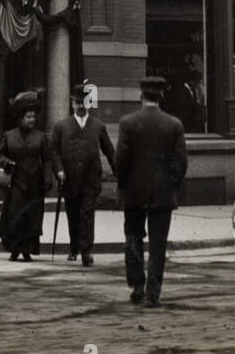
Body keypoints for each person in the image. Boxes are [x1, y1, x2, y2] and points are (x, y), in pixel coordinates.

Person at [115, 76, 188, 308]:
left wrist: (124, 184)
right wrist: (171, 186)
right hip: (163, 194)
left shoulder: (128, 122)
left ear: (141, 95)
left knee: (133, 238)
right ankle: (153, 293)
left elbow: (121, 161)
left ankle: (137, 286)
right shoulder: (174, 124)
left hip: (134, 193)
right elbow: (180, 163)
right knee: (158, 245)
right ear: (161, 96)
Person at [50, 81, 115, 266]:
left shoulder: (98, 126)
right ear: (72, 104)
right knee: (73, 214)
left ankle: (86, 251)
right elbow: (53, 151)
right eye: (77, 102)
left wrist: (120, 173)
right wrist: (59, 170)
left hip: (90, 179)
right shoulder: (61, 127)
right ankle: (74, 247)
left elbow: (110, 151)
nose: (81, 106)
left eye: (84, 102)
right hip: (69, 178)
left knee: (87, 213)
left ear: (89, 103)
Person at [0, 91, 53, 262]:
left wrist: (48, 178)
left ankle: (28, 250)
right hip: (15, 182)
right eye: (28, 117)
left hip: (35, 183)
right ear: (20, 118)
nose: (32, 119)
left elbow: (47, 159)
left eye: (33, 117)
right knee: (15, 216)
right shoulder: (9, 136)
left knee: (32, 217)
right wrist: (8, 162)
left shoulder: (41, 137)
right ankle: (14, 249)